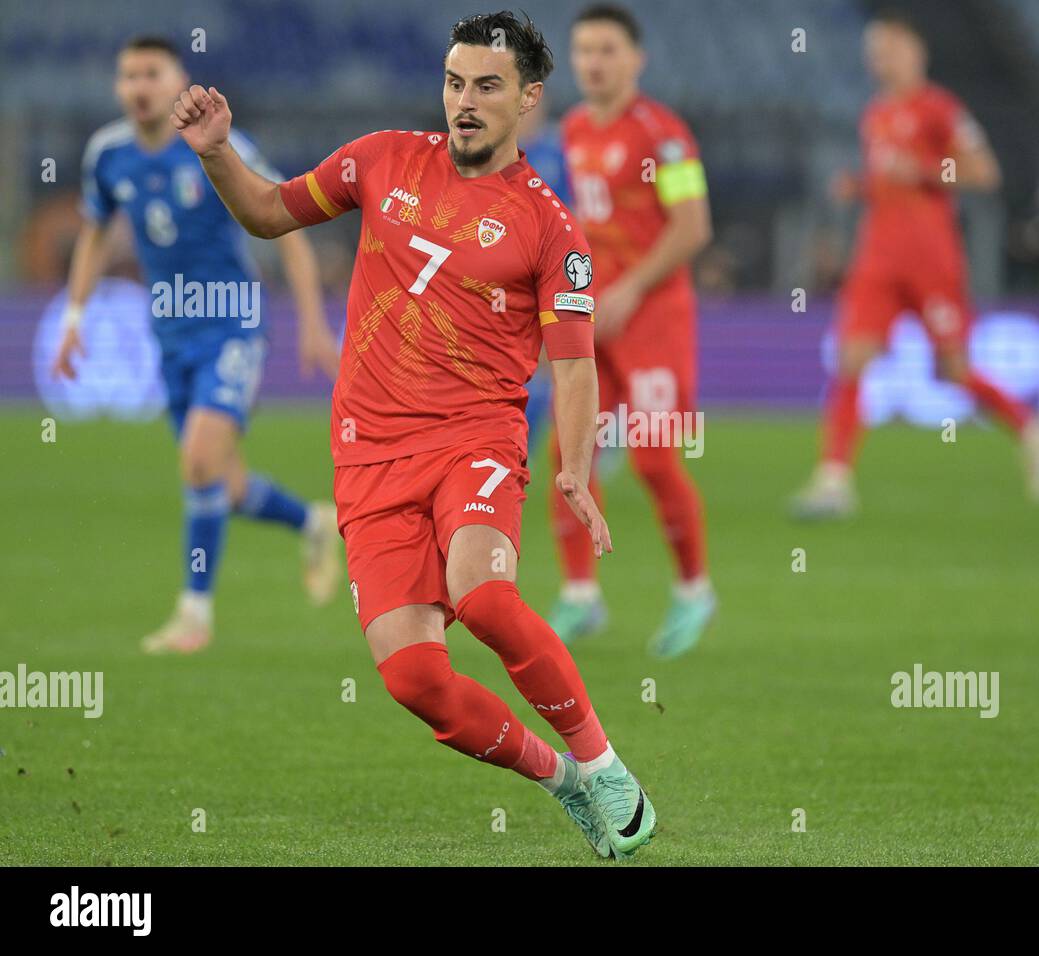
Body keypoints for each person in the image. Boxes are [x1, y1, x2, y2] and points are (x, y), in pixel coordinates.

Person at [169, 11, 657, 859]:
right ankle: (562, 781)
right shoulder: (380, 158)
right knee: (414, 680)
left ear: (529, 98)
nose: (465, 102)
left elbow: (574, 369)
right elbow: (269, 213)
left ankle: (606, 763)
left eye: (488, 86)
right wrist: (217, 151)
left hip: (475, 437)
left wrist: (574, 468)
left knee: (485, 596)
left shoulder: (549, 227)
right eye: (455, 82)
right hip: (366, 454)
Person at [53, 35, 340, 654]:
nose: (139, 86)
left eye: (151, 73)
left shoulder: (215, 145)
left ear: (178, 80)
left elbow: (286, 224)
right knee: (222, 482)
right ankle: (313, 521)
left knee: (199, 459)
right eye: (128, 75)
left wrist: (313, 321)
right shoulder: (108, 155)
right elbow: (95, 233)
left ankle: (194, 615)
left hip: (232, 324)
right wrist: (75, 313)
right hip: (170, 332)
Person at [791, 12, 1039, 519]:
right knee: (851, 360)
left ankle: (1026, 425)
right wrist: (860, 187)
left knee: (953, 371)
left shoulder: (940, 109)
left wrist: (925, 169)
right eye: (873, 49)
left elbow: (984, 172)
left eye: (888, 47)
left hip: (931, 262)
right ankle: (833, 480)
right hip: (877, 260)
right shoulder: (874, 114)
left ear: (916, 52)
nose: (878, 57)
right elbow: (886, 181)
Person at [549, 4, 716, 659]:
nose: (594, 62)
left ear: (635, 59)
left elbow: (693, 226)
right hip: (592, 320)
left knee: (652, 458)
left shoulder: (663, 134)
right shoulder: (571, 130)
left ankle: (694, 589)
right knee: (568, 455)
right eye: (584, 50)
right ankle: (582, 597)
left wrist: (632, 286)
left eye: (607, 50)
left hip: (651, 320)